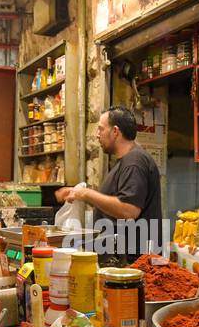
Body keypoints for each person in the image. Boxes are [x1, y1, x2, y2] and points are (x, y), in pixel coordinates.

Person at [56, 106, 162, 257]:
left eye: (100, 129)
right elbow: (114, 204)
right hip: (118, 260)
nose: (97, 135)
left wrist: (87, 194)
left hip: (130, 264)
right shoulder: (125, 162)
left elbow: (128, 210)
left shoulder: (134, 161)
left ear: (115, 132)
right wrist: (78, 194)